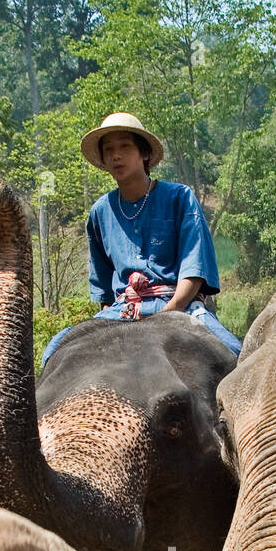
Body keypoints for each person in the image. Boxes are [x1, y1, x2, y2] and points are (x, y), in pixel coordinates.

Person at [41, 112, 241, 367]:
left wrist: (172, 309)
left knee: (235, 354)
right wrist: (105, 323)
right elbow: (103, 288)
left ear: (144, 153)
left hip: (179, 304)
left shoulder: (179, 197)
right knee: (54, 349)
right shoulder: (100, 212)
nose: (116, 155)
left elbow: (194, 266)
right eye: (109, 149)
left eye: (125, 146)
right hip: (122, 310)